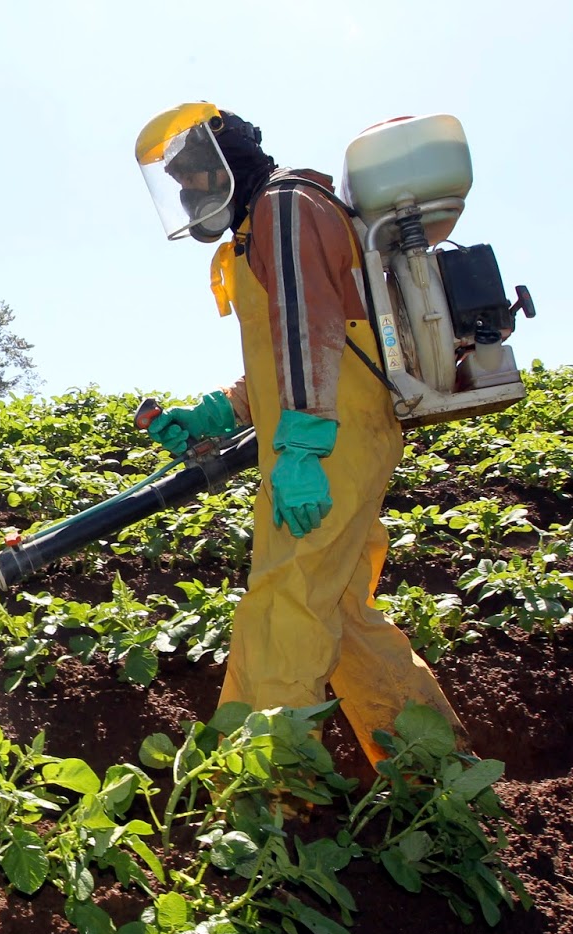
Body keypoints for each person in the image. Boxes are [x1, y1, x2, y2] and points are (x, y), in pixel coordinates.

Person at [133, 102, 469, 766]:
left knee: (286, 601)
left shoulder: (285, 206)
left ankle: (267, 790)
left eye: (194, 180)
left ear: (225, 165)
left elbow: (312, 335)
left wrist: (304, 451)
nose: (189, 197)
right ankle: (438, 775)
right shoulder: (265, 226)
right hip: (339, 432)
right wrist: (214, 416)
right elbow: (281, 356)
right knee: (339, 608)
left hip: (327, 441)